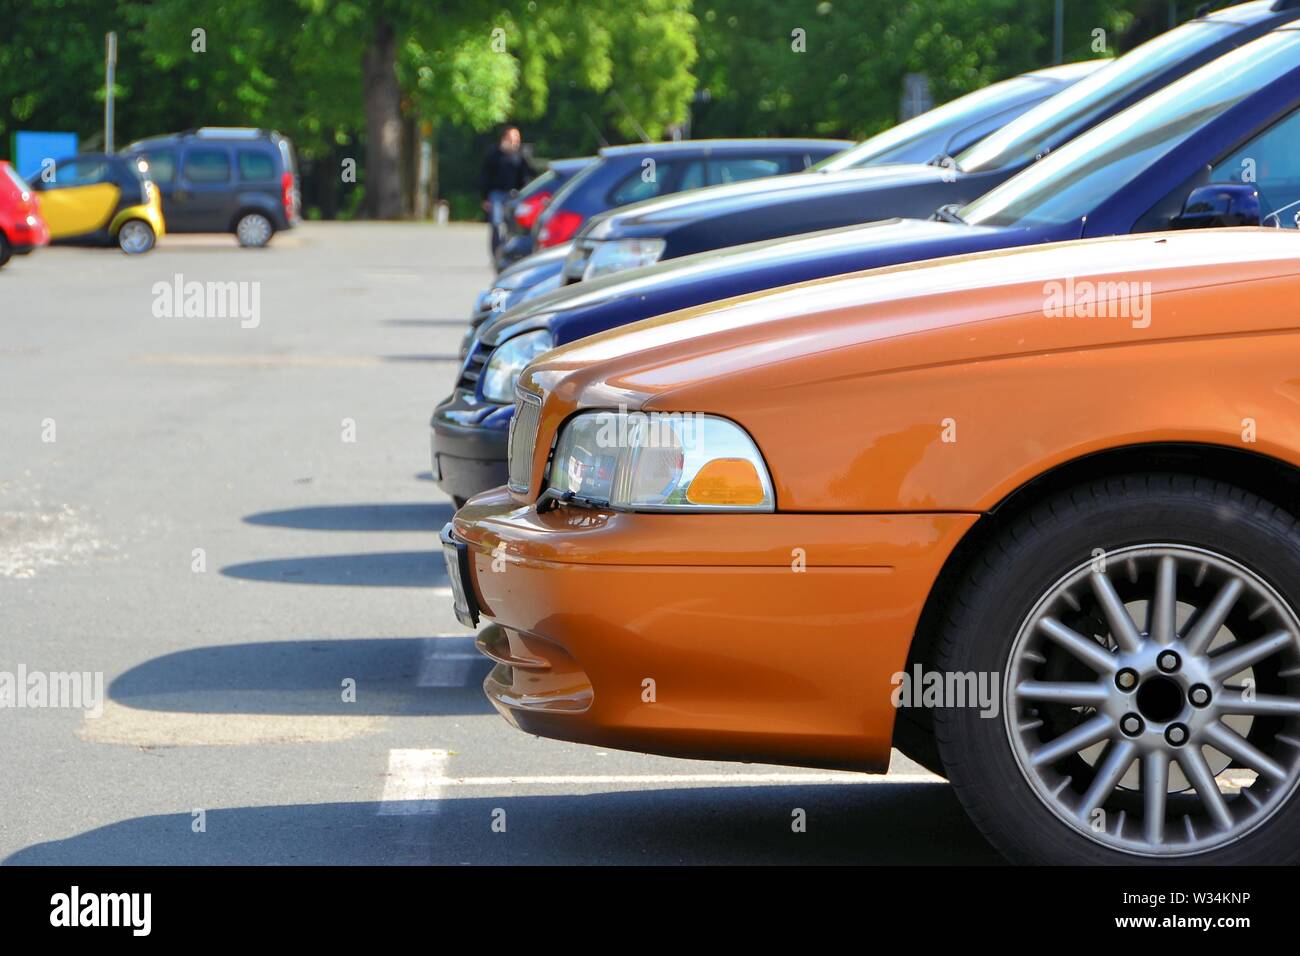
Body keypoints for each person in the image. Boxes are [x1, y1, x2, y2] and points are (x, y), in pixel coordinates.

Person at [479, 125, 534, 256]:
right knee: (496, 224)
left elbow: (527, 176)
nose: (516, 141)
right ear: (504, 138)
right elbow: (484, 176)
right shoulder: (493, 155)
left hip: (514, 195)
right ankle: (496, 253)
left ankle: (509, 253)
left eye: (517, 138)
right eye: (513, 138)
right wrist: (484, 197)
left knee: (513, 226)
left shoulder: (520, 156)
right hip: (496, 194)